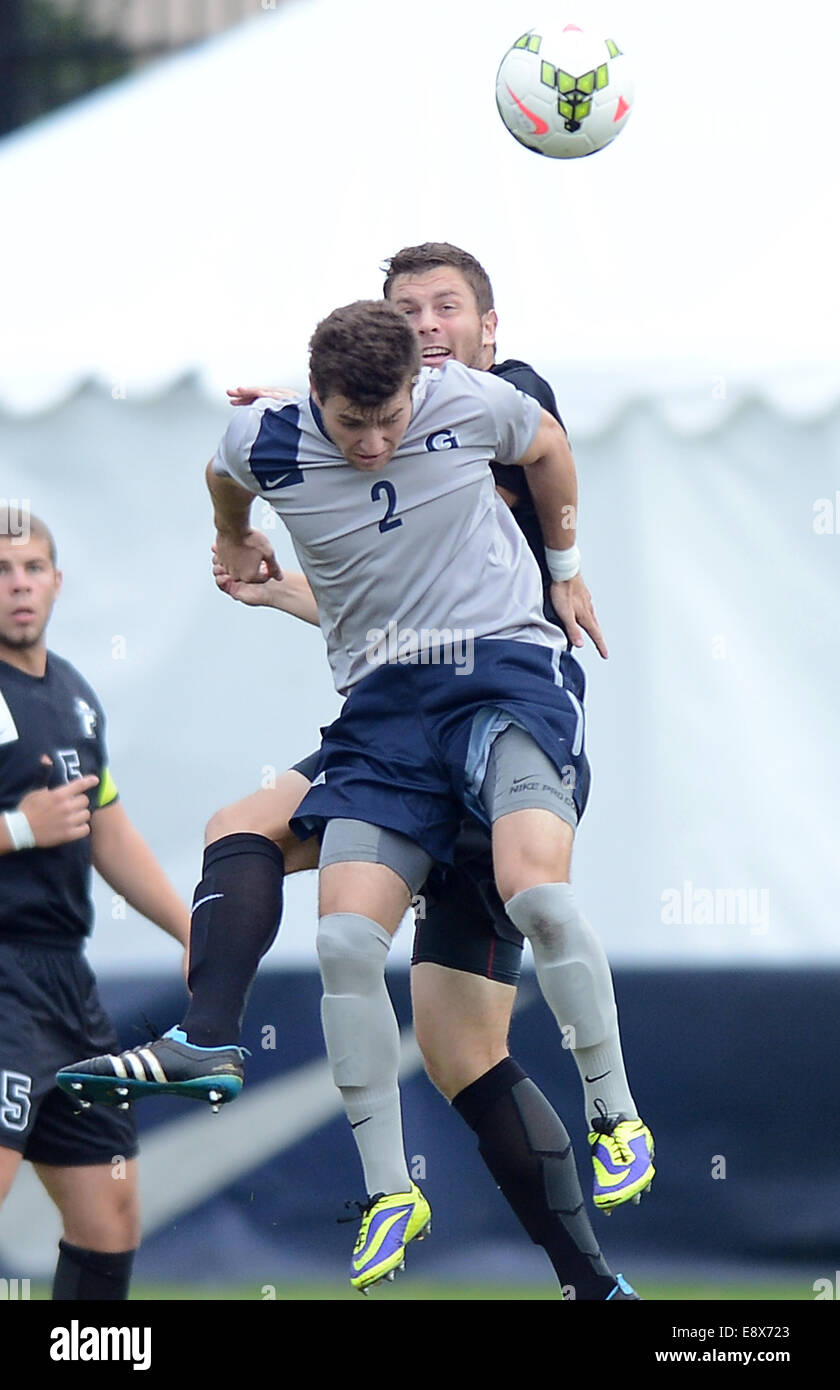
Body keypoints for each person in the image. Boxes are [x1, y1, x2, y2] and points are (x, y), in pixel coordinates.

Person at [62, 290, 647, 1301]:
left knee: (533, 899)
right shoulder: (282, 429)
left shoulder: (490, 395)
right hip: (393, 724)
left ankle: (616, 1117)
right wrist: (240, 539)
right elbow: (267, 493)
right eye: (410, 308)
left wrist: (569, 568)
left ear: (480, 332)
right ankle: (566, 1274)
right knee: (435, 1027)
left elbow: (542, 445)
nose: (376, 443)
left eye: (446, 308)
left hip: (501, 695)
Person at [0, 516, 190, 1299]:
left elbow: (106, 830)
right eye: (3, 569)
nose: (18, 583)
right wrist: (18, 828)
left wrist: (192, 930)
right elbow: (44, 824)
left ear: (56, 581)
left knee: (109, 1214)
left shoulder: (73, 691)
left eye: (33, 566)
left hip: (64, 986)